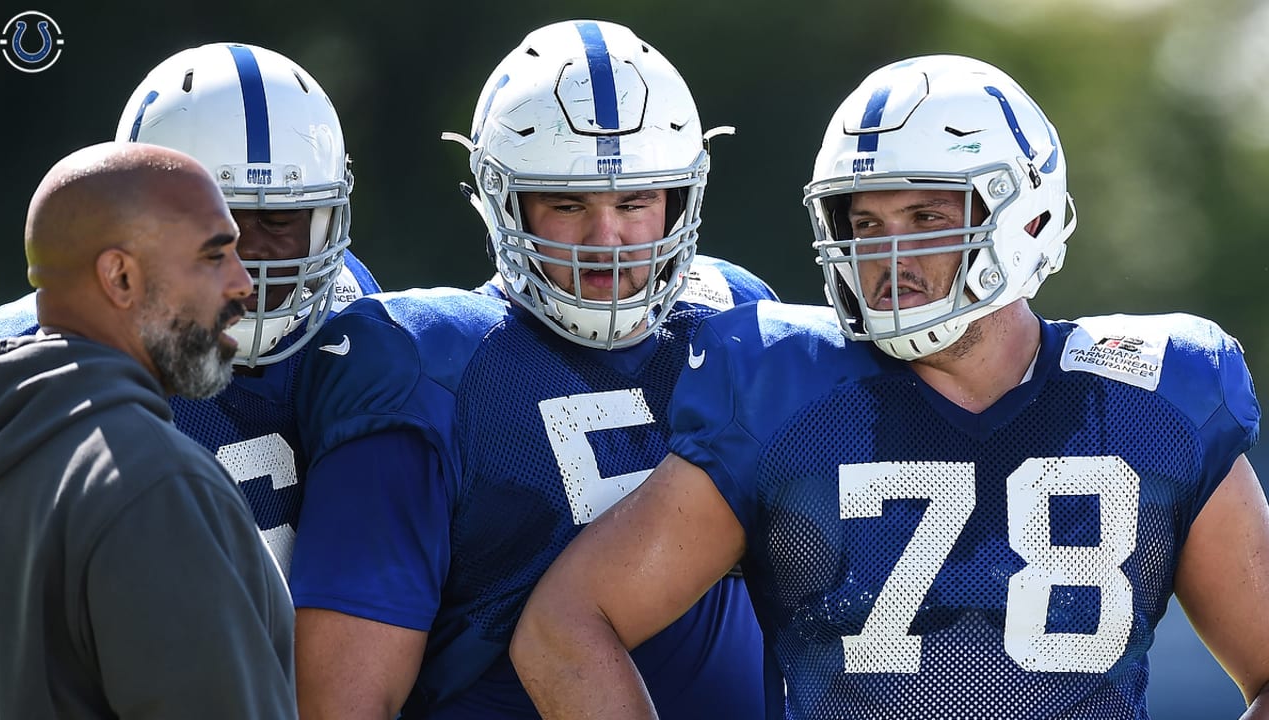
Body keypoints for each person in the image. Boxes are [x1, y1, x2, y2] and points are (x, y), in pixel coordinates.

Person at [511, 54, 1269, 719]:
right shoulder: (785, 395)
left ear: (1024, 218)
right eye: (864, 223)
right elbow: (568, 623)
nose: (887, 252)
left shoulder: (1157, 399)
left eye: (924, 215)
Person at [289, 19, 778, 719]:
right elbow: (346, 702)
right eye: (568, 203)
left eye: (635, 202)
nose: (607, 240)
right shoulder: (424, 363)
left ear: (679, 198)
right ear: (502, 200)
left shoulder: (733, 318)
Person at [0, 42, 381, 578]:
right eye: (225, 227)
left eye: (282, 221)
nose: (253, 259)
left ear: (323, 220)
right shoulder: (33, 356)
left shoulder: (351, 306)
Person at [0, 141, 295, 719]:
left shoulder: (16, 440)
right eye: (214, 256)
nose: (243, 285)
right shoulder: (153, 482)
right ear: (120, 277)